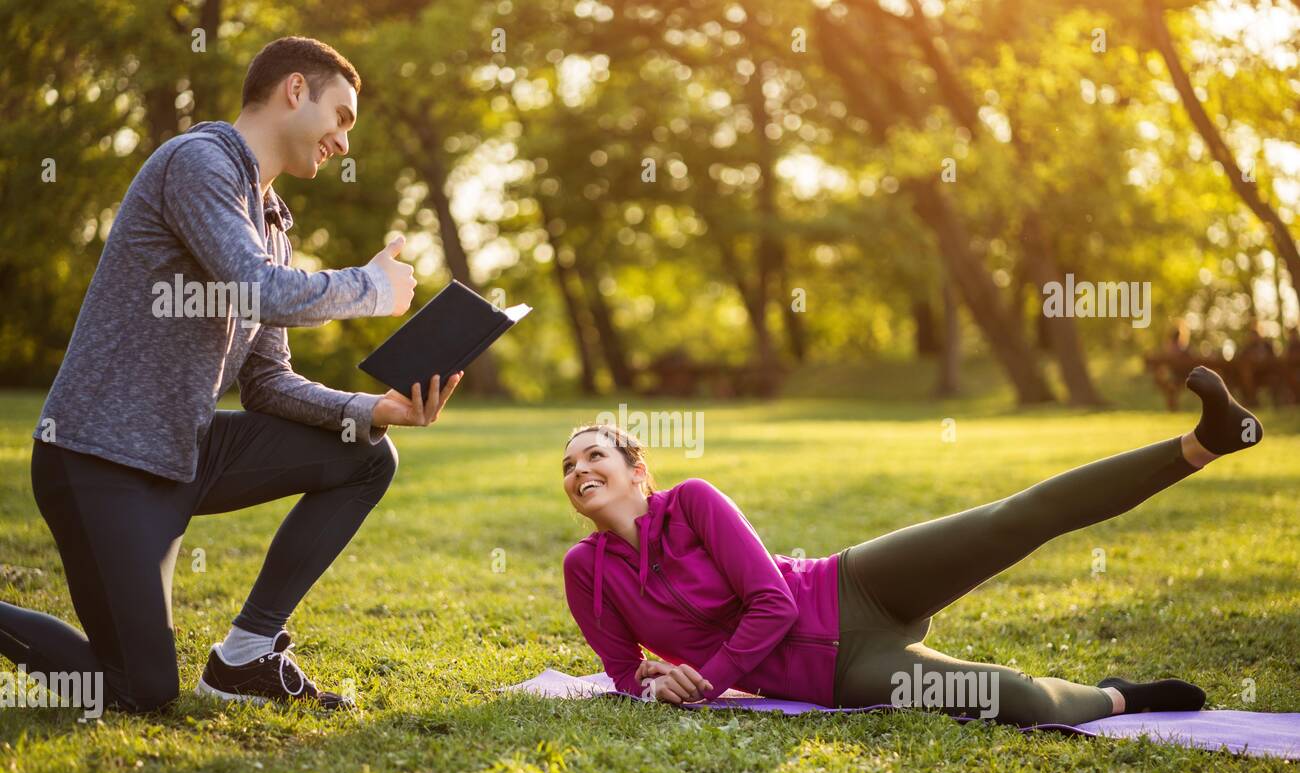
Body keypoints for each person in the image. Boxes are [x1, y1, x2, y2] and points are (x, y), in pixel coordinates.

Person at [0, 36, 463, 713]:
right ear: (295, 91)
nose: (344, 140)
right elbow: (258, 290)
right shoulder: (199, 162)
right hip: (97, 458)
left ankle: (245, 656)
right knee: (141, 691)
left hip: (180, 452)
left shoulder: (273, 224)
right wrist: (368, 286)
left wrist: (373, 410)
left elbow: (268, 383)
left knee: (366, 457)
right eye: (341, 117)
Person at [560, 367, 1264, 726]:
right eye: (568, 466)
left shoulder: (694, 502)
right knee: (1017, 702)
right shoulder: (585, 572)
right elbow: (621, 672)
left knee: (1012, 519)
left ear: (637, 472)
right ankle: (1118, 698)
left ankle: (1202, 444)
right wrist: (655, 684)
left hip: (850, 587)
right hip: (843, 675)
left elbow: (772, 603)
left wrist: (705, 679)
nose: (580, 470)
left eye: (593, 454)